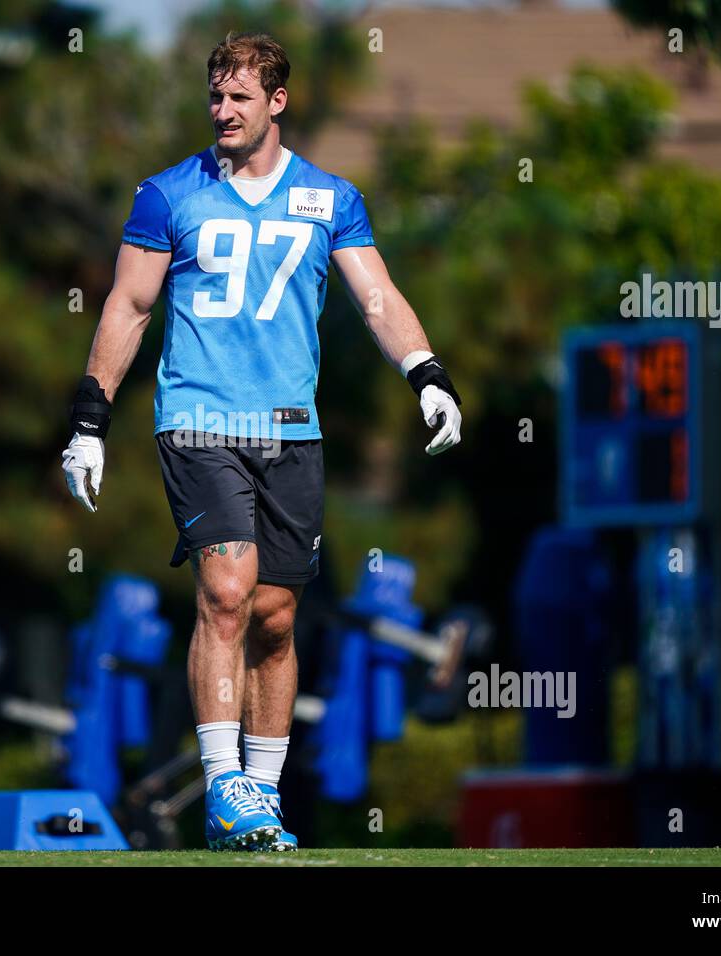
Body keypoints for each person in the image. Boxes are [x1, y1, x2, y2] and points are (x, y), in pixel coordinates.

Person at [61, 32, 462, 851]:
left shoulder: (331, 197)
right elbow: (128, 309)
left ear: (277, 102)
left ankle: (262, 805)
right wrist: (90, 422)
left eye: (239, 97)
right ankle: (221, 786)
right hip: (199, 422)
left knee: (277, 620)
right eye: (215, 95)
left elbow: (376, 297)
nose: (223, 111)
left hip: (291, 432)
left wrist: (427, 374)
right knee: (229, 589)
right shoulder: (168, 195)